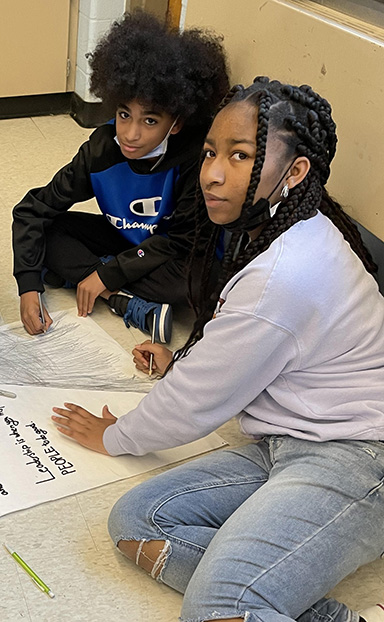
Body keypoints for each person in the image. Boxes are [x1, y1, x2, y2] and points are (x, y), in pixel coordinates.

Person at [50, 77, 384, 622]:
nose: (212, 172)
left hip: (363, 455)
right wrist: (183, 356)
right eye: (210, 152)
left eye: (240, 155)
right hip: (289, 435)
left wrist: (116, 436)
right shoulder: (285, 225)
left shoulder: (285, 271)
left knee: (213, 609)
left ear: (294, 172)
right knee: (137, 522)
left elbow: (197, 401)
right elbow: (237, 337)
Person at [12, 11, 229, 343]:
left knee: (202, 279)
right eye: (124, 114)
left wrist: (106, 272)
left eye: (150, 121)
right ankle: (123, 301)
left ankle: (99, 283)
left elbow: (182, 243)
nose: (130, 133)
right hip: (124, 242)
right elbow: (32, 211)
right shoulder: (100, 150)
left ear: (177, 123)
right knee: (50, 231)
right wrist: (28, 286)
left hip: (169, 253)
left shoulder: (194, 160)